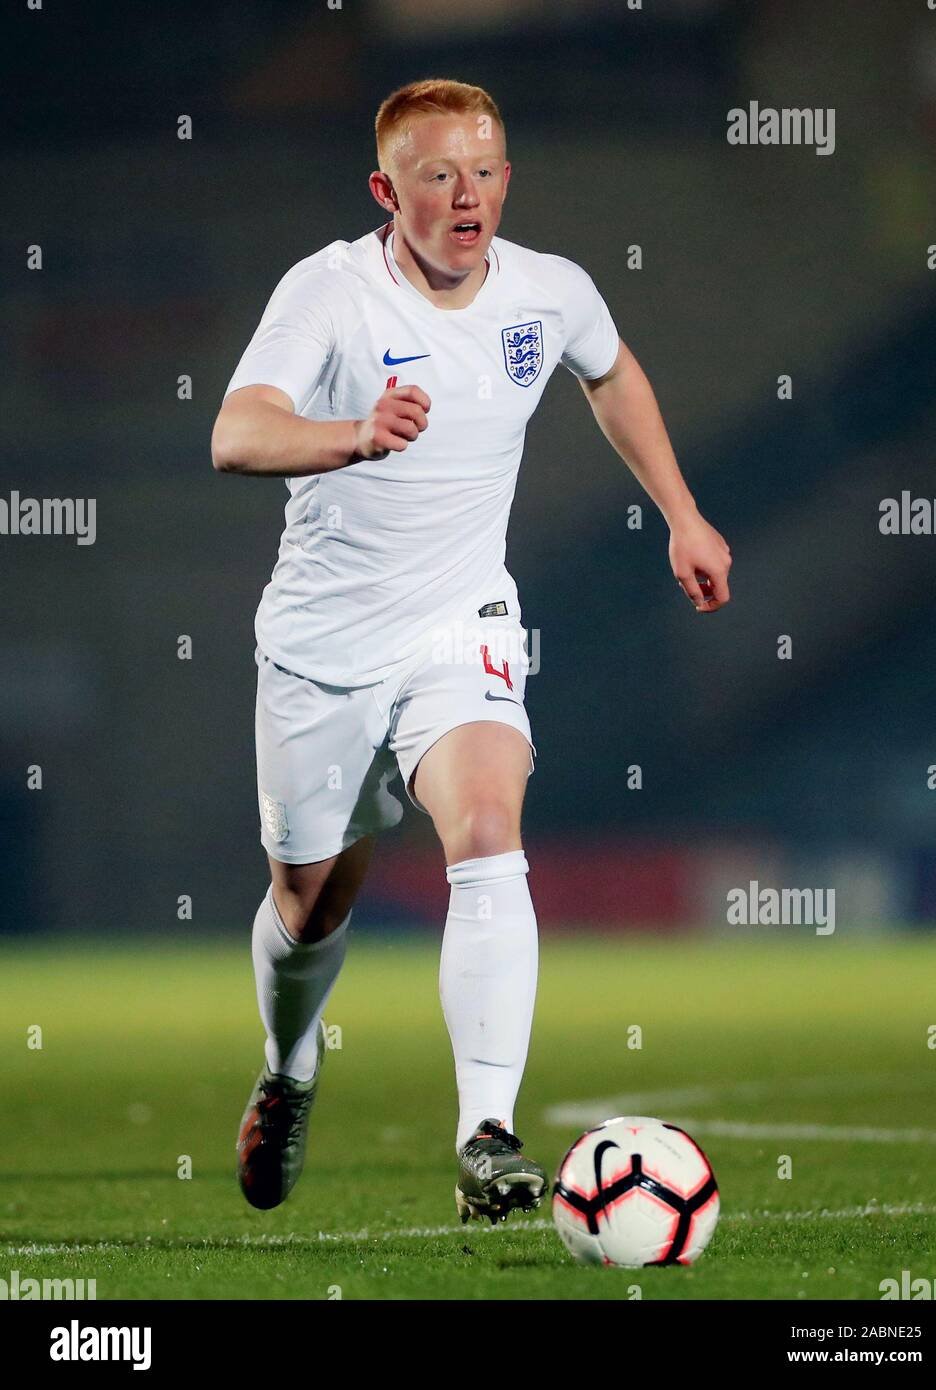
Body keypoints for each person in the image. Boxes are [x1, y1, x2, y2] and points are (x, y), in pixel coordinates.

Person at [211, 77, 731, 1225]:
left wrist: (682, 515)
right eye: (438, 175)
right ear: (385, 189)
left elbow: (612, 370)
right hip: (324, 647)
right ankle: (290, 1071)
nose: (466, 197)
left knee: (489, 832)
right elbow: (235, 431)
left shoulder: (548, 293)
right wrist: (351, 435)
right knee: (310, 904)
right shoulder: (331, 293)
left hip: (463, 623)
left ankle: (487, 1135)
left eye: (486, 171)